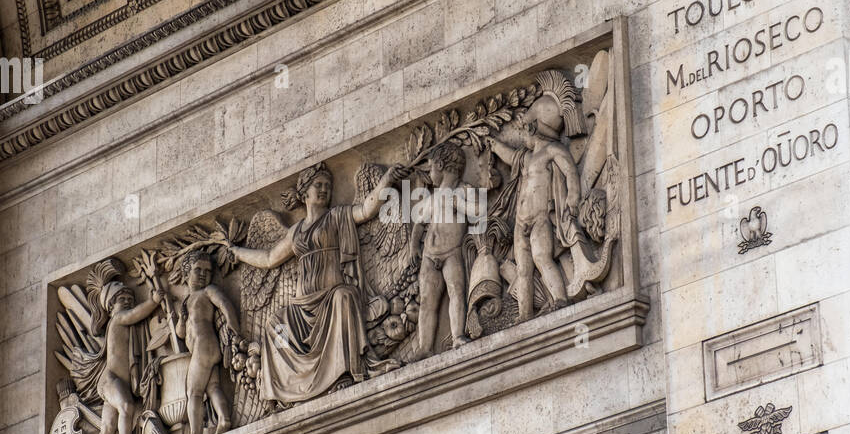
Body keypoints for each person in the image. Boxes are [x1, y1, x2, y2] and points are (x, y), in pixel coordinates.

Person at [220, 160, 409, 404]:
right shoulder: (296, 231)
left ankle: (341, 372)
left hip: (331, 299)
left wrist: (387, 180)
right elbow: (269, 258)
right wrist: (237, 252)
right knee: (274, 324)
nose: (324, 190)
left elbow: (366, 211)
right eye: (318, 185)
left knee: (345, 296)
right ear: (304, 192)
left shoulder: (337, 216)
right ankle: (292, 384)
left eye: (328, 186)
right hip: (302, 307)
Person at [488, 98, 582, 322]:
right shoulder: (525, 157)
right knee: (523, 268)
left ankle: (560, 298)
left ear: (532, 128)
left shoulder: (552, 150)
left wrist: (573, 198)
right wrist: (494, 145)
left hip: (541, 218)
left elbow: (570, 172)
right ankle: (525, 313)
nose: (521, 136)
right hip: (521, 221)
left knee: (542, 257)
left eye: (523, 130)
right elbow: (510, 157)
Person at [408, 142, 477, 358]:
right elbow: (419, 224)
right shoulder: (433, 197)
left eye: (430, 169)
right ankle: (425, 347)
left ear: (440, 165)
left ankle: (457, 336)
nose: (430, 174)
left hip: (452, 252)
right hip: (429, 255)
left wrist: (459, 204)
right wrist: (413, 247)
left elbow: (477, 212)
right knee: (427, 301)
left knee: (456, 291)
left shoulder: (463, 191)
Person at [91, 279, 165, 434]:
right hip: (110, 380)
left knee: (108, 426)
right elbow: (134, 314)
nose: (127, 301)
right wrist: (153, 301)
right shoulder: (118, 319)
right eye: (121, 299)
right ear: (110, 307)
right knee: (126, 406)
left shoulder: (128, 324)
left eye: (130, 298)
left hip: (117, 382)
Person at [176, 250, 240, 434]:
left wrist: (233, 328)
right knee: (212, 387)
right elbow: (180, 333)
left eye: (208, 271)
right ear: (186, 273)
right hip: (202, 349)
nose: (203, 274)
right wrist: (180, 319)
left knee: (193, 392)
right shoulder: (187, 301)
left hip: (205, 345)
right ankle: (224, 419)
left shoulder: (208, 291)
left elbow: (225, 304)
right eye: (198, 270)